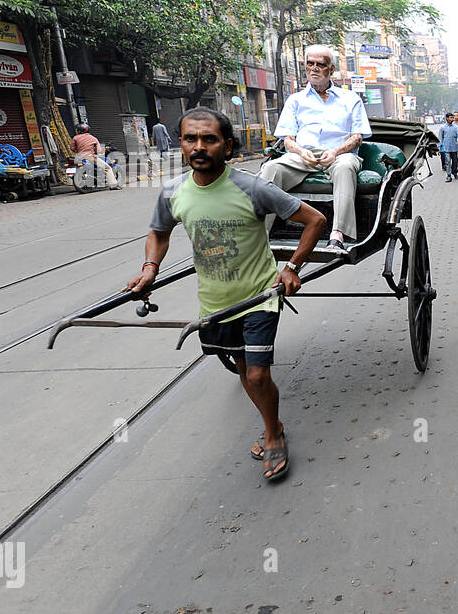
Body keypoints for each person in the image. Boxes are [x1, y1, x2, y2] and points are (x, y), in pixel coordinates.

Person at [126, 108, 326, 483]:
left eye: (209, 139)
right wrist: (150, 268)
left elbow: (315, 220)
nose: (199, 147)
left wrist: (293, 267)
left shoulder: (252, 187)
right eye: (190, 139)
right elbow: (159, 232)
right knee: (240, 369)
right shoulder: (173, 192)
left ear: (227, 145)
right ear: (181, 144)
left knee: (255, 375)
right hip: (216, 303)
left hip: (260, 296)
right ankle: (274, 421)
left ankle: (272, 433)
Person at [260, 44, 371, 251]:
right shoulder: (295, 100)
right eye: (310, 63)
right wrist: (302, 152)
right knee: (270, 169)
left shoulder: (351, 99)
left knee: (345, 167)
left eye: (321, 64)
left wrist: (335, 152)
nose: (314, 68)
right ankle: (258, 234)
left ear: (331, 69)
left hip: (340, 154)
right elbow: (288, 140)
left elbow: (357, 137)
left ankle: (338, 233)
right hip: (303, 155)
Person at [438, 112, 458, 182]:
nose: (452, 119)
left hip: (454, 148)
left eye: (452, 117)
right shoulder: (442, 128)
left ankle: (455, 173)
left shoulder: (456, 127)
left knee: (455, 162)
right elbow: (440, 139)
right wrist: (439, 148)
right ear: (447, 118)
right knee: (447, 162)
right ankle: (448, 176)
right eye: (451, 117)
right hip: (446, 149)